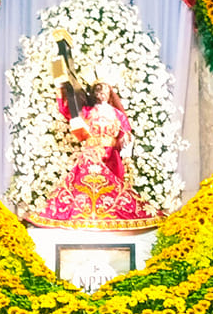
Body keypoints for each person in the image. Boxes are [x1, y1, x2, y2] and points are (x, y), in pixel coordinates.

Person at [31, 79, 159, 228]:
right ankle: (84, 215)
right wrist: (62, 88)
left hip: (111, 155)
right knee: (83, 186)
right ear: (93, 93)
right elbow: (69, 111)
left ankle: (112, 216)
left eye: (105, 90)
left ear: (110, 93)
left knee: (114, 189)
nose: (101, 93)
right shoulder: (87, 111)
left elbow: (126, 133)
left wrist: (126, 148)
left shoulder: (117, 114)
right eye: (98, 90)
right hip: (91, 154)